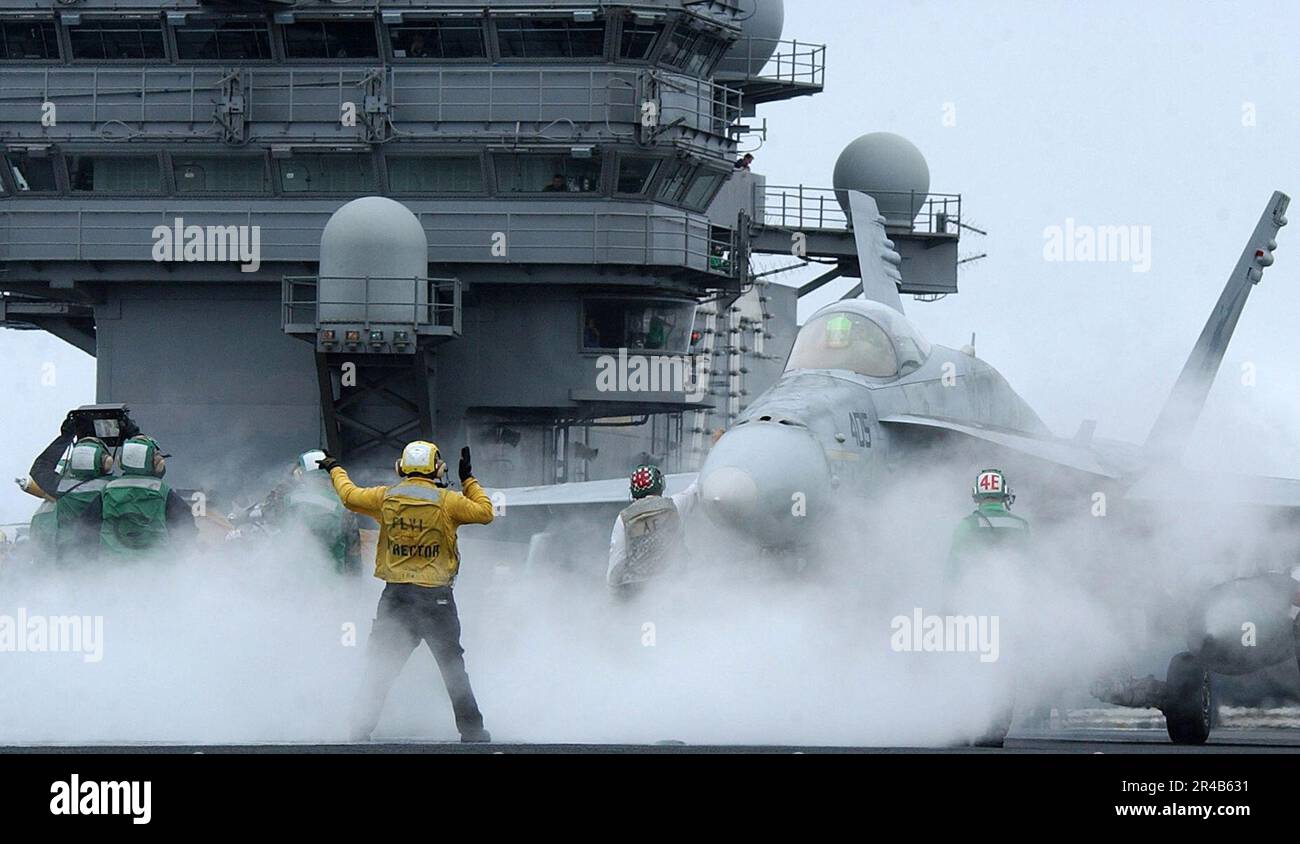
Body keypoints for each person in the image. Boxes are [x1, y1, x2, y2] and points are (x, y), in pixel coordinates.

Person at [320, 441, 495, 743]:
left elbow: (348, 496)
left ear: (401, 468)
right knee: (453, 669)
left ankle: (359, 729)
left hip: (396, 597)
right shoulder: (449, 502)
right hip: (436, 599)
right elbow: (486, 513)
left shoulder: (384, 497)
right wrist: (469, 480)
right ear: (437, 468)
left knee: (381, 668)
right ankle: (473, 731)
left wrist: (334, 468)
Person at [944, 468, 1031, 747]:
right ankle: (994, 730)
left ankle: (964, 725)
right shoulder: (1020, 525)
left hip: (974, 609)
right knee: (1004, 672)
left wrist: (948, 609)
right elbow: (1029, 569)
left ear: (977, 496)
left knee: (969, 667)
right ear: (1005, 495)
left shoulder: (967, 526)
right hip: (1010, 611)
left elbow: (954, 570)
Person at [27, 414, 128, 564]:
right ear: (106, 461)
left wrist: (66, 437)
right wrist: (133, 434)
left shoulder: (61, 487)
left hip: (68, 561)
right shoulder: (115, 487)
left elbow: (40, 467)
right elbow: (144, 468)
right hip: (104, 562)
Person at [263, 450, 362, 575]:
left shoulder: (289, 501)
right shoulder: (345, 507)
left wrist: (287, 481)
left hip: (298, 579)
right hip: (333, 581)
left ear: (300, 474)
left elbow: (268, 514)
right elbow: (353, 554)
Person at [607, 465, 700, 593]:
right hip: (673, 582)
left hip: (638, 588)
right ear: (659, 485)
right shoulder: (674, 505)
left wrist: (613, 592)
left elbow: (617, 560)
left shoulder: (623, 518)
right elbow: (694, 490)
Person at [99, 435, 197, 557]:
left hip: (111, 568)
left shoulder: (107, 491)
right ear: (156, 464)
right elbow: (186, 528)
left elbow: (86, 527)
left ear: (120, 461)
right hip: (157, 567)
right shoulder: (163, 492)